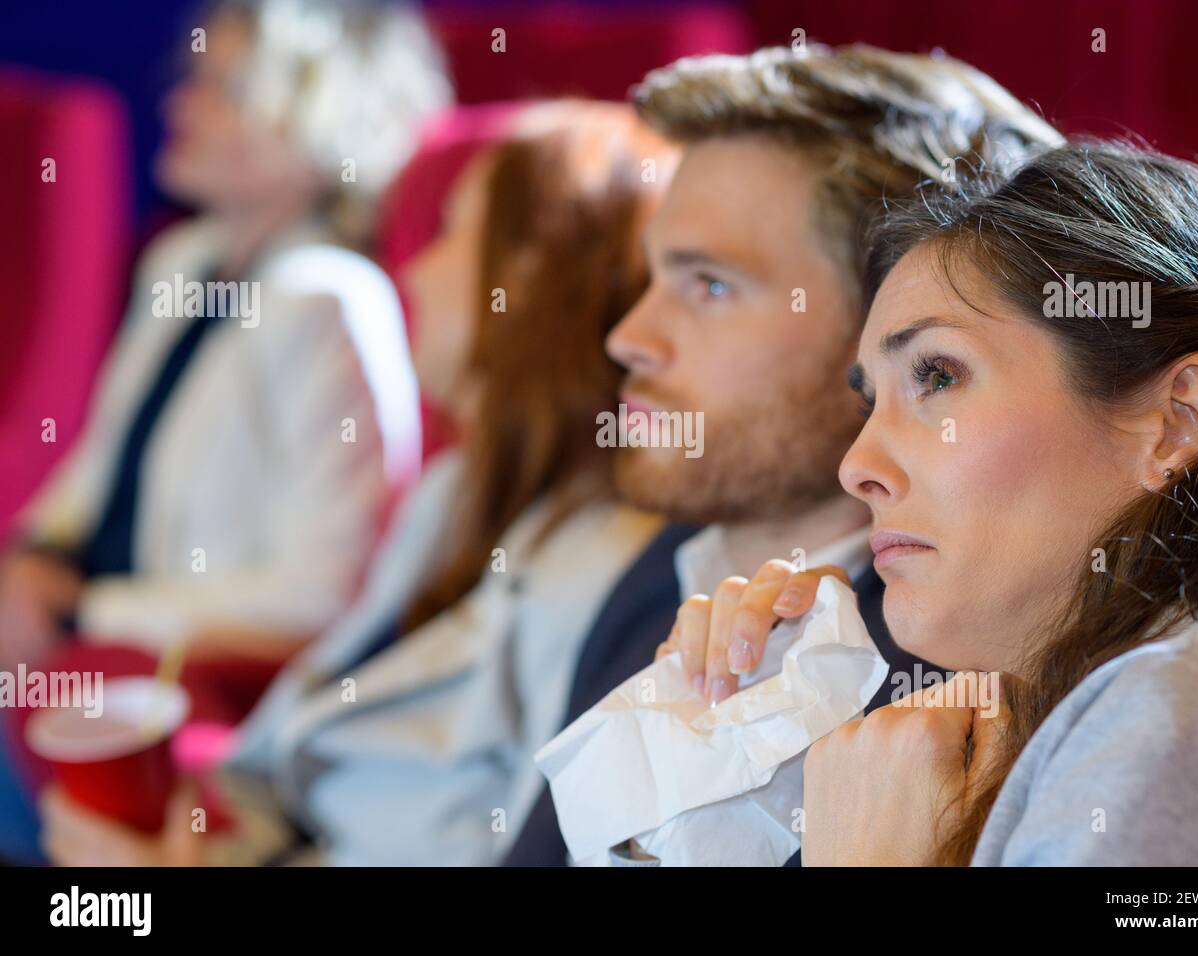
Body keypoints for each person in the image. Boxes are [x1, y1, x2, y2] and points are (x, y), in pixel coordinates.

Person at [38, 100, 677, 867]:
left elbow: (491, 846)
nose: (411, 266)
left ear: (531, 278)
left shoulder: (601, 570)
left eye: (450, 233)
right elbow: (305, 741)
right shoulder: (452, 493)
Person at [504, 43, 1064, 865]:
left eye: (712, 285)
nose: (629, 339)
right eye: (653, 280)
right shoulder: (678, 560)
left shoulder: (952, 693)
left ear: (887, 329)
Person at [672, 141, 1198, 865]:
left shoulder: (1194, 713)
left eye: (936, 377)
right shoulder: (1052, 714)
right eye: (870, 403)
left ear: (1177, 421)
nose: (857, 468)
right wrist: (731, 759)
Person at [0, 0, 447, 864]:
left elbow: (327, 593)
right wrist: (32, 553)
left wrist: (85, 609)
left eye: (221, 87)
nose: (179, 106)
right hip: (92, 655)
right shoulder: (185, 260)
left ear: (317, 123)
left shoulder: (330, 299)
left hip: (197, 691)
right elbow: (95, 470)